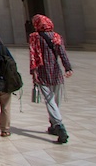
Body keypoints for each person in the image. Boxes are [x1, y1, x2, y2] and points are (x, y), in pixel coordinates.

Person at [29, 14, 74, 144]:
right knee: (55, 102)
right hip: (56, 72)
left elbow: (33, 56)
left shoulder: (34, 37)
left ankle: (59, 126)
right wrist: (68, 68)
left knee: (50, 102)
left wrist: (33, 72)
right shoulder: (56, 37)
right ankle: (54, 125)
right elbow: (62, 53)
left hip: (42, 73)